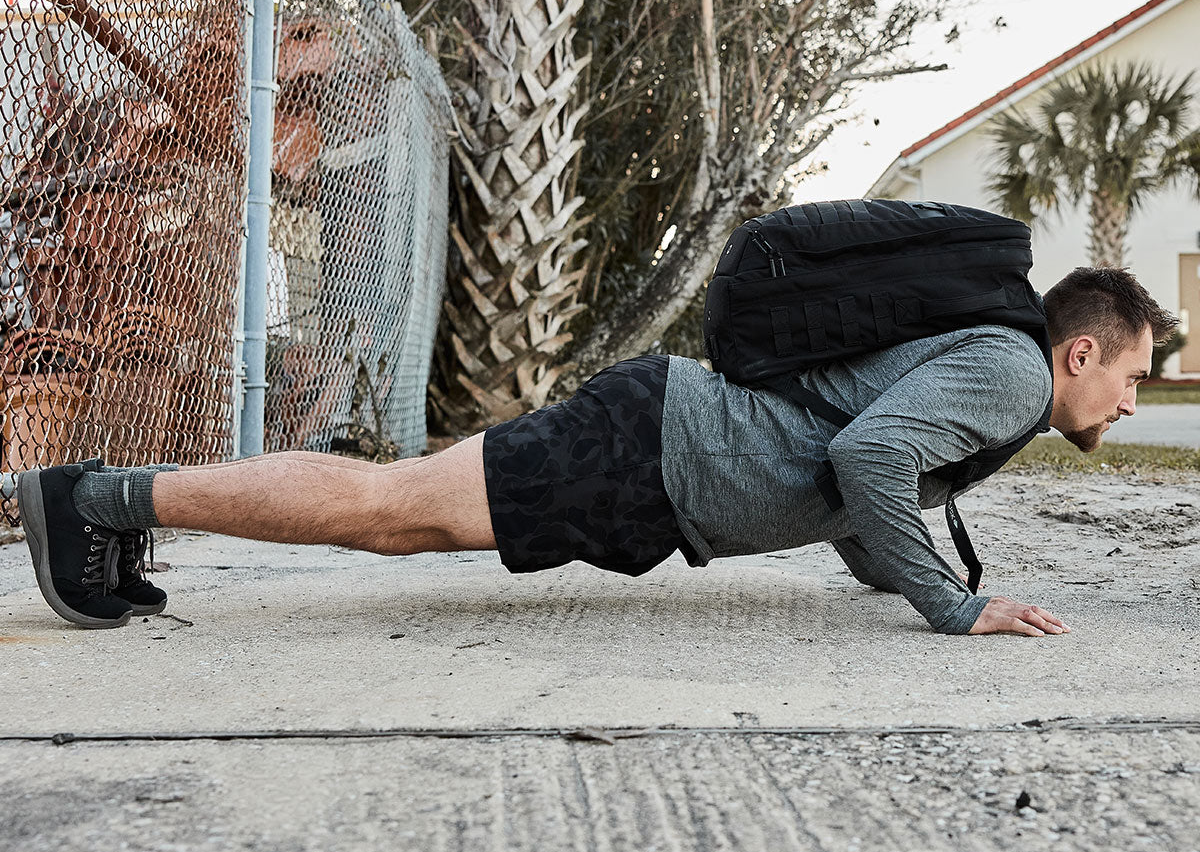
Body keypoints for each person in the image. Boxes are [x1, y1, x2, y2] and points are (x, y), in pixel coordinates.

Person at [17, 265, 1176, 637]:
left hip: (656, 457)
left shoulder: (1004, 374)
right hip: (649, 451)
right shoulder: (1014, 372)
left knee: (397, 511)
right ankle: (96, 497)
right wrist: (952, 607)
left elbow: (861, 478)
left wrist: (897, 574)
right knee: (389, 511)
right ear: (1080, 353)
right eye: (1131, 377)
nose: (1129, 403)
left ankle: (111, 508)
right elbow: (871, 461)